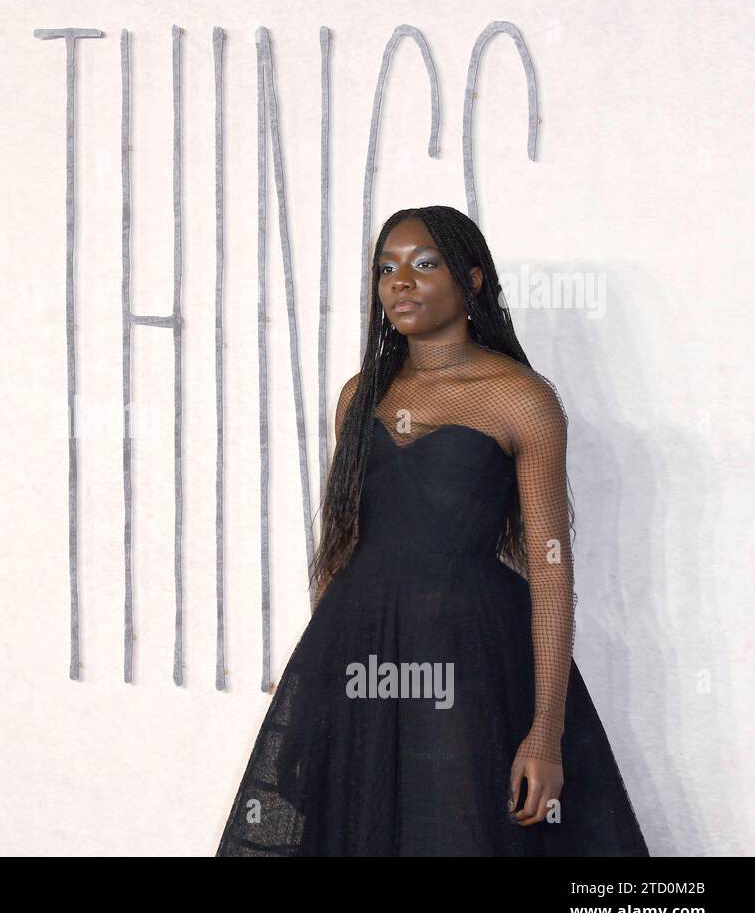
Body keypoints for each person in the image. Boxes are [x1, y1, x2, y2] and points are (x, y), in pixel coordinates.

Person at [215, 205, 650, 856]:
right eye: (386, 268)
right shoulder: (360, 396)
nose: (400, 282)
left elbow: (551, 571)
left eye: (424, 264)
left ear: (472, 279)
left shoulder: (520, 399)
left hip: (471, 656)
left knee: (457, 828)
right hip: (359, 651)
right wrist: (320, 687)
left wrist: (546, 731)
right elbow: (342, 550)